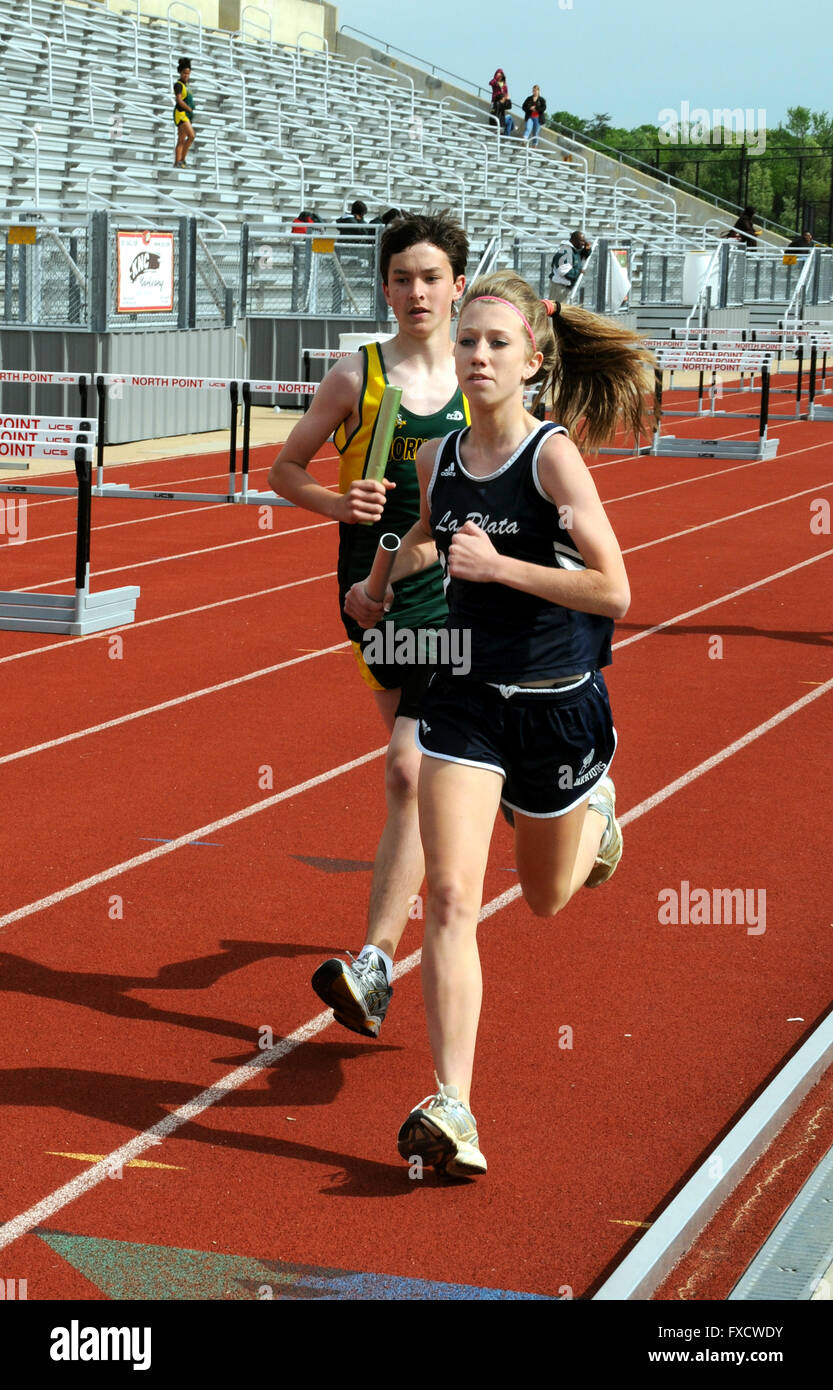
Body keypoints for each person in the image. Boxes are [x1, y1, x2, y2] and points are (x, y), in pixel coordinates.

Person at [345, 270, 654, 1177]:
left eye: (495, 345)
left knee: (550, 897)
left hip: (559, 704)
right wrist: (377, 587)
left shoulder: (552, 457)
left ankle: (596, 812)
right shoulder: (437, 458)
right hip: (467, 701)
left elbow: (615, 590)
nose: (476, 356)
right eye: (467, 342)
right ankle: (455, 1107)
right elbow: (431, 534)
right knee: (449, 898)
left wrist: (506, 569)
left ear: (531, 364)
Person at [268, 213, 471, 1039]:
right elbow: (282, 469)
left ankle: (375, 963)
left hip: (458, 590)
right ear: (383, 287)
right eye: (400, 278)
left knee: (405, 770)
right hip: (369, 593)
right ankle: (576, 790)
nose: (414, 293)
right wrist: (333, 500)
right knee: (421, 776)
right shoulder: (358, 377)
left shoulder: (480, 373)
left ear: (457, 285)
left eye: (429, 278)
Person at [549, 230, 591, 303]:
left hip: (566, 287)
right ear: (574, 240)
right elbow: (564, 271)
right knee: (556, 311)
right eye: (581, 241)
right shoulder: (565, 251)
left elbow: (582, 255)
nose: (583, 244)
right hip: (560, 287)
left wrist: (587, 249)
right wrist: (578, 271)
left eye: (584, 241)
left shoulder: (573, 250)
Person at [173, 57, 195, 169]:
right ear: (180, 72)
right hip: (181, 113)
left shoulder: (187, 86)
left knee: (181, 139)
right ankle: (182, 160)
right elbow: (179, 100)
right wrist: (188, 108)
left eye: (188, 73)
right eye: (184, 73)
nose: (186, 75)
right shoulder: (178, 85)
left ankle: (178, 162)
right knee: (191, 136)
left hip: (187, 115)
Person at [489, 69, 513, 136]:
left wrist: (507, 100)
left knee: (504, 116)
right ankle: (500, 129)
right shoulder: (494, 82)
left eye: (501, 75)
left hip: (502, 102)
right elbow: (490, 83)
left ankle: (504, 130)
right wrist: (496, 77)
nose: (499, 76)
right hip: (495, 101)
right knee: (495, 114)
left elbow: (506, 94)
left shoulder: (505, 85)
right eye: (498, 74)